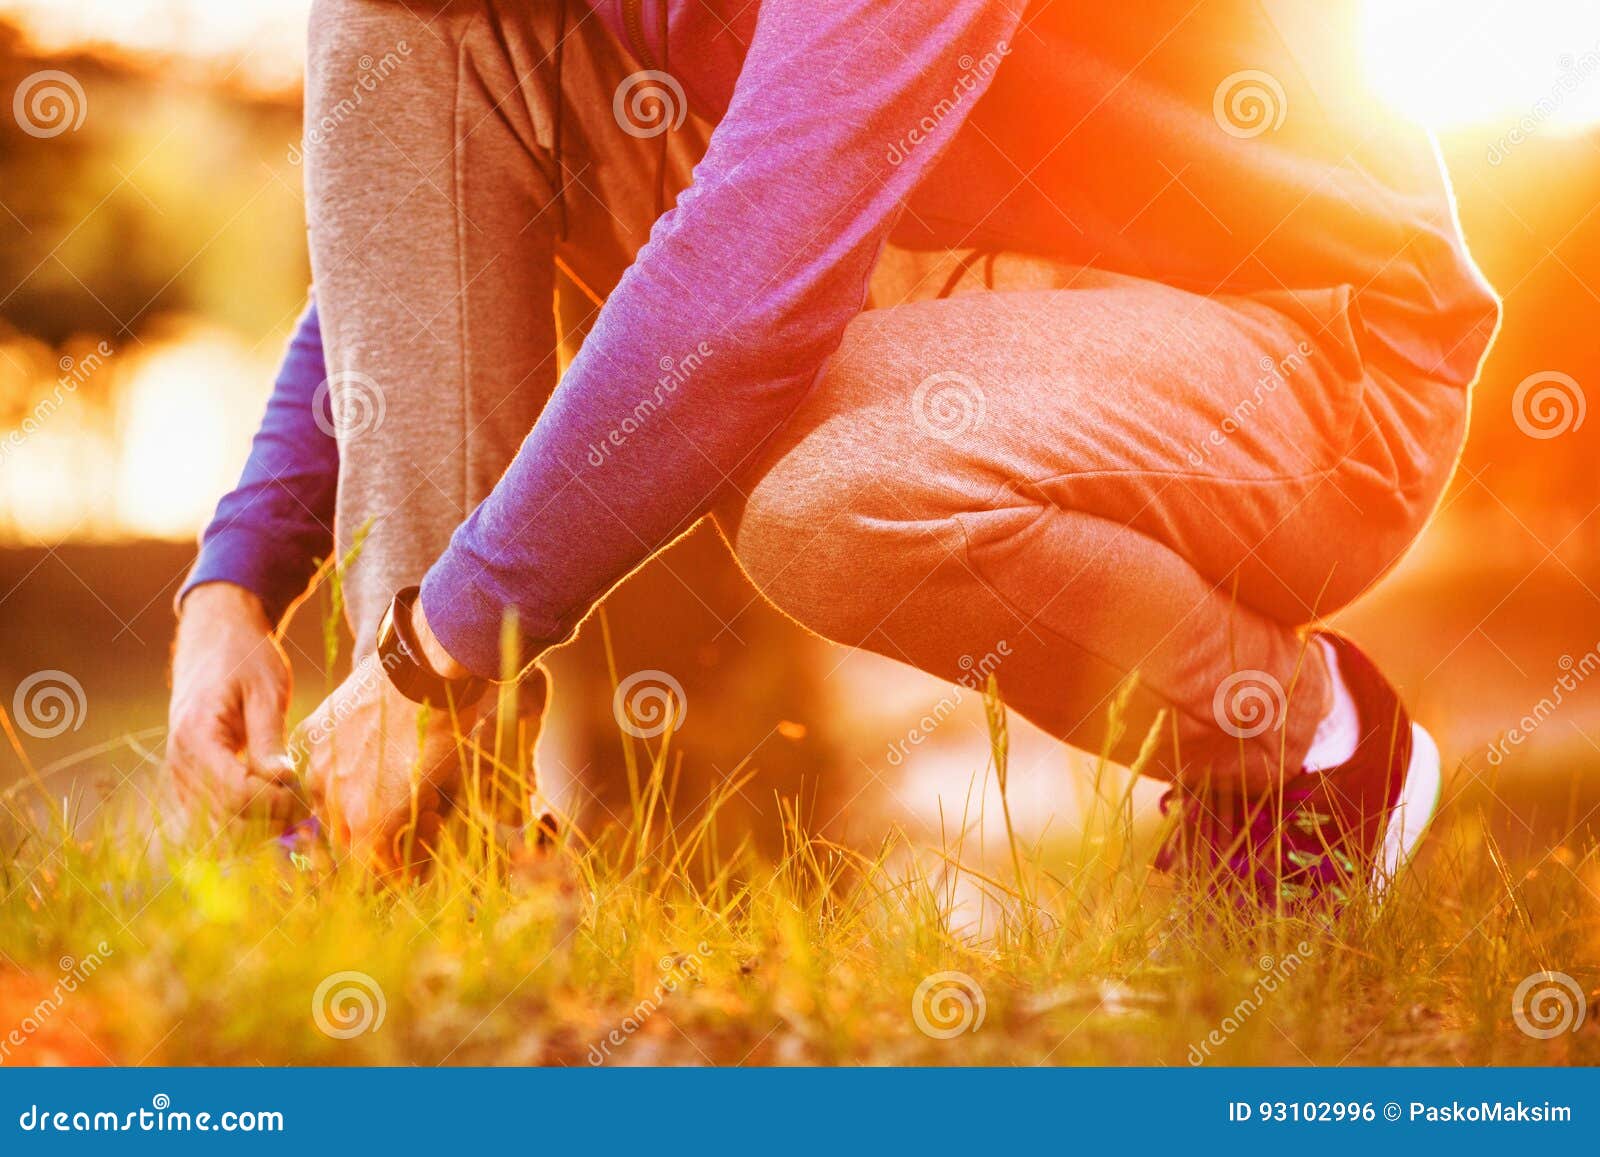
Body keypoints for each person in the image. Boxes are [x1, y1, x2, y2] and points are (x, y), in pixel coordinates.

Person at [166, 0, 1499, 904]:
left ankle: (1309, 753)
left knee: (817, 491)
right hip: (957, 279)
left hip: (1312, 350)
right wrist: (240, 575)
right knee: (408, 20)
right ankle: (433, 856)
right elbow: (437, 197)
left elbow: (746, 303)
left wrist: (432, 654)